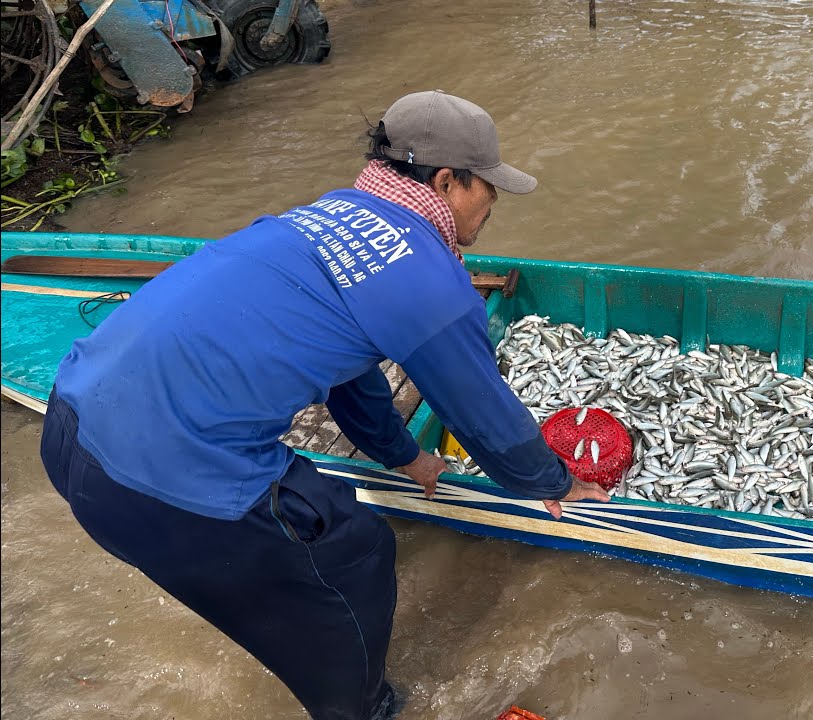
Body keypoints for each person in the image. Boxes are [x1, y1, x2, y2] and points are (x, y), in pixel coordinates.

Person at [38, 90, 611, 720]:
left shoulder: (320, 217)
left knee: (274, 563)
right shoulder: (425, 274)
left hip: (68, 427)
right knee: (354, 557)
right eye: (489, 186)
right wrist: (554, 480)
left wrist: (407, 458)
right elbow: (482, 412)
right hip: (162, 479)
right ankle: (362, 711)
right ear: (448, 181)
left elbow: (347, 368)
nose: (494, 201)